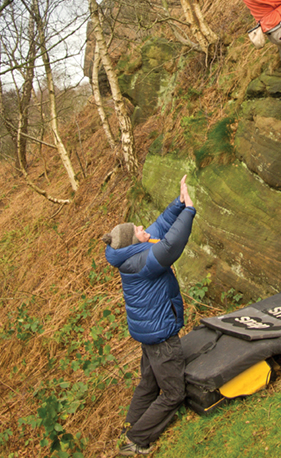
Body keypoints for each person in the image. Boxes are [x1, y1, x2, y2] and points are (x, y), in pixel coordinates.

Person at [103, 175, 196, 456]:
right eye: (138, 229)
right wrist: (190, 210)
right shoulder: (142, 260)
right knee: (173, 393)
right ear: (134, 240)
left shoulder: (131, 251)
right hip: (161, 338)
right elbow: (170, 247)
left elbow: (160, 226)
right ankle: (137, 441)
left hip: (148, 334)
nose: (143, 227)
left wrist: (178, 203)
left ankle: (130, 425)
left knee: (149, 383)